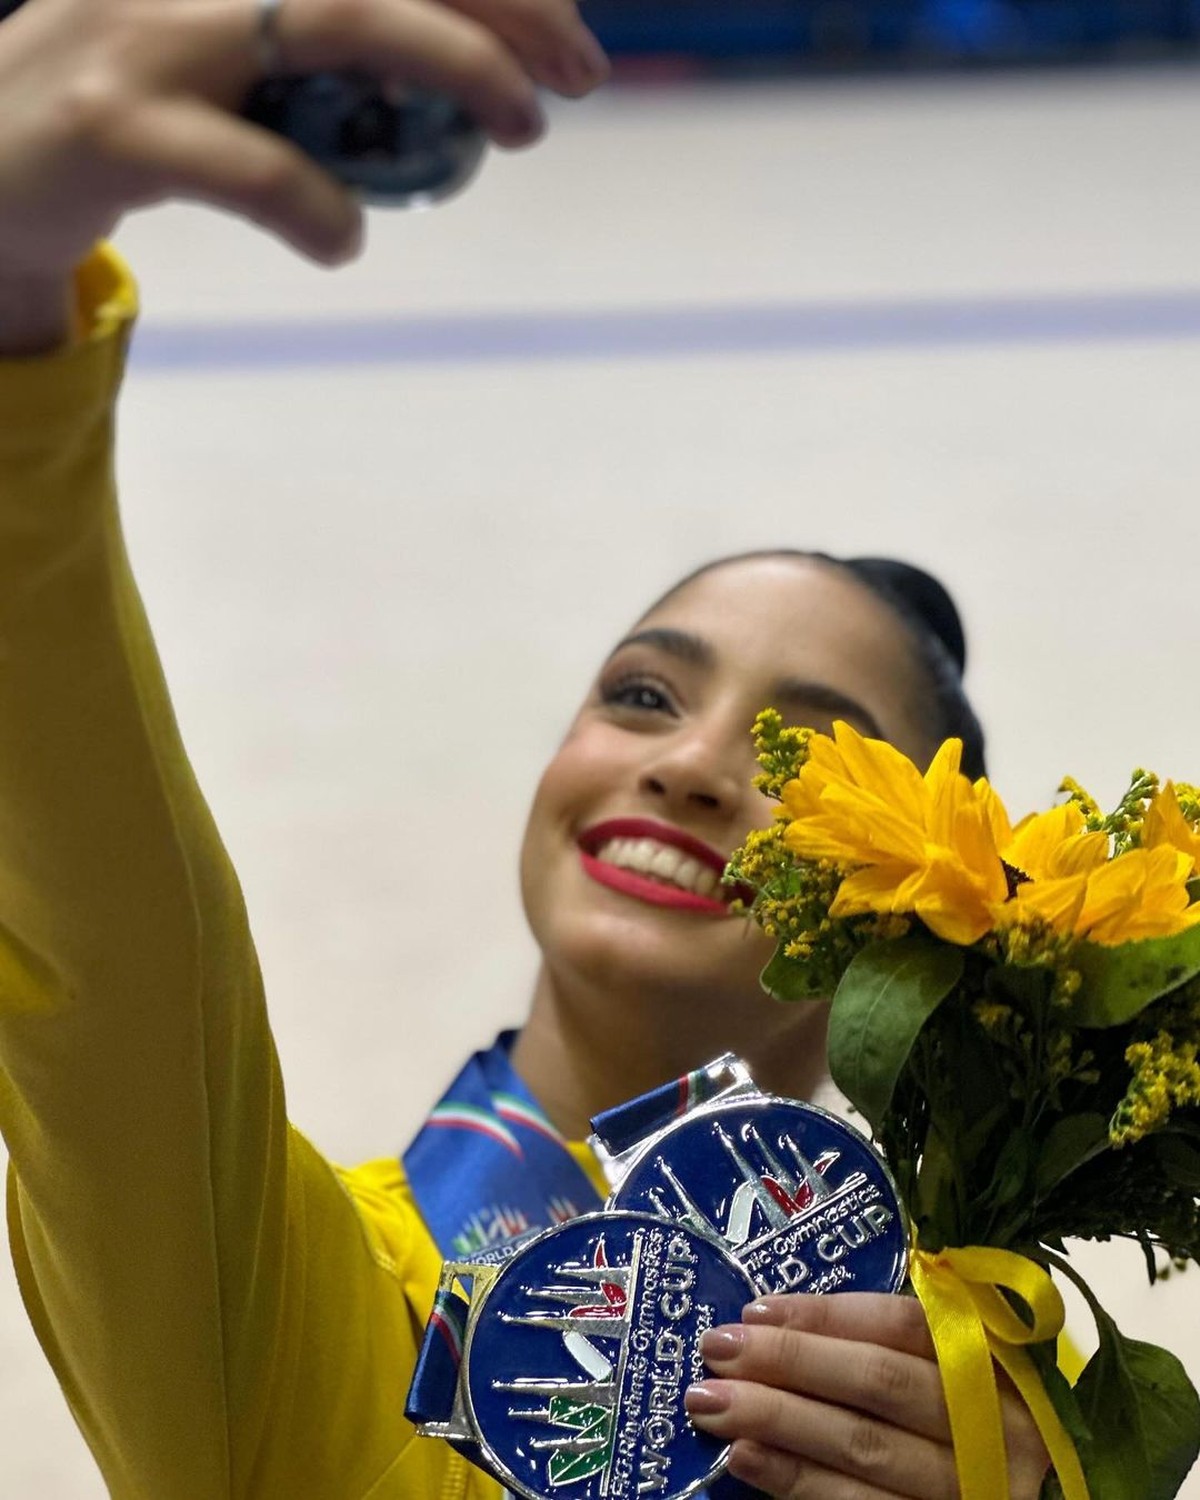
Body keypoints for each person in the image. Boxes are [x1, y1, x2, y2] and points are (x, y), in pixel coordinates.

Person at [0, 1, 1050, 1496]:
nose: (690, 766)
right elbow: (109, 969)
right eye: (640, 694)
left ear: (923, 933)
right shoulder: (293, 1299)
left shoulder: (964, 1408)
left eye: (810, 759)